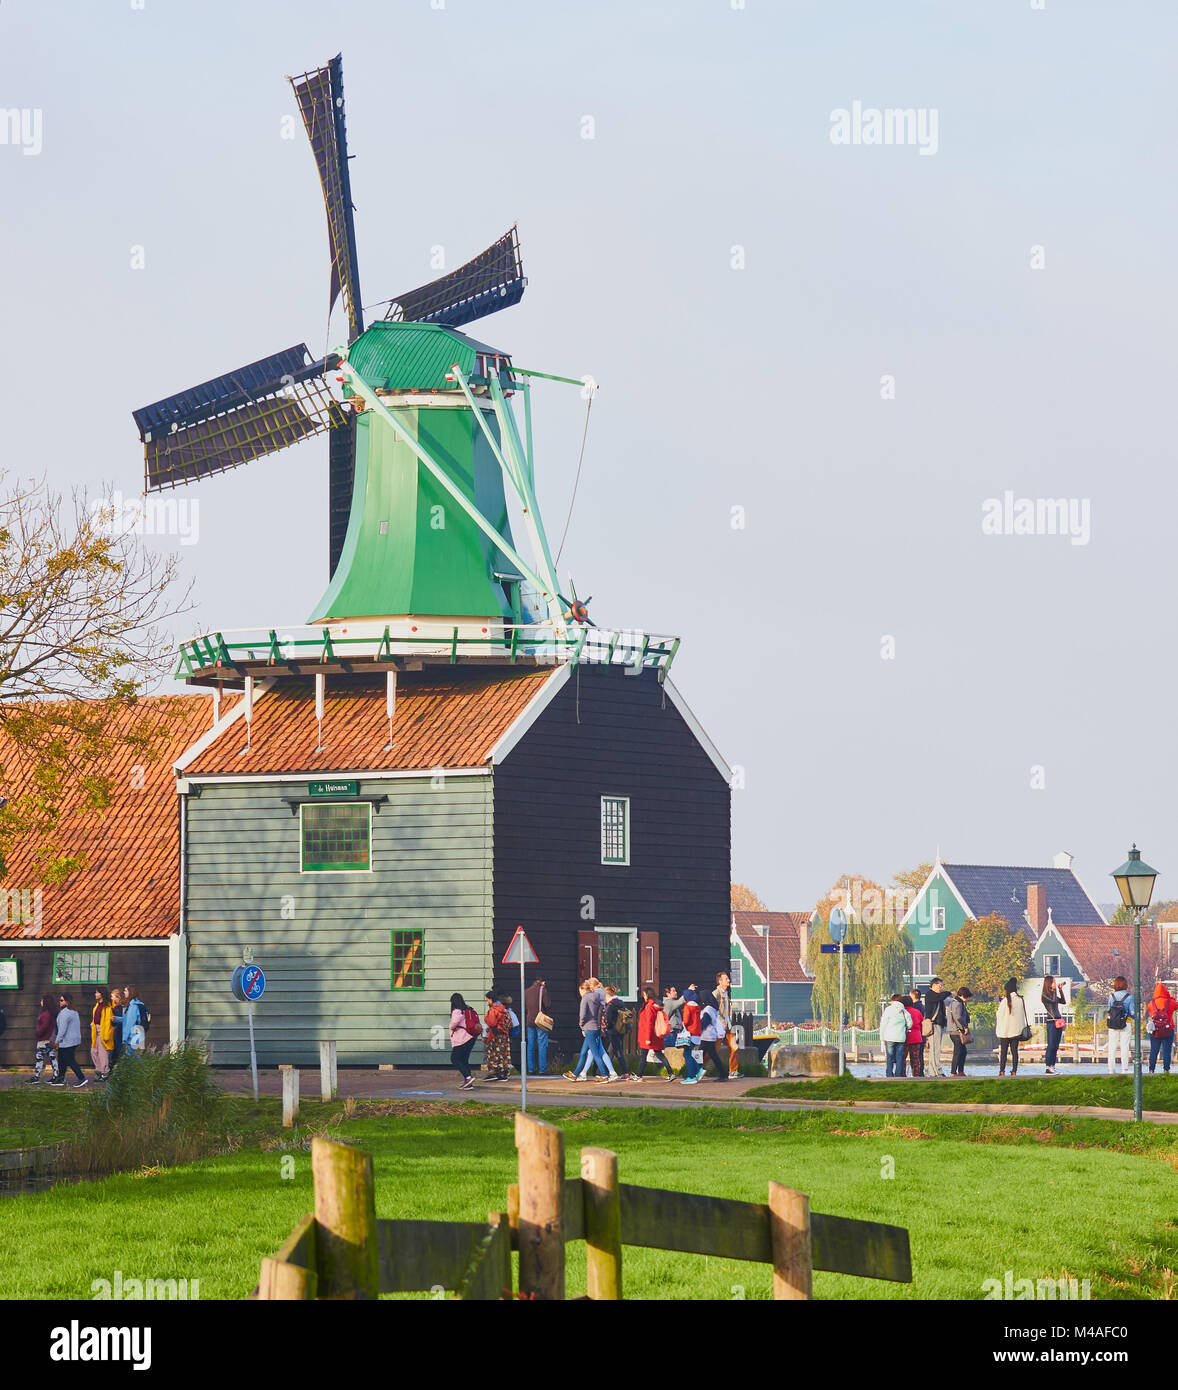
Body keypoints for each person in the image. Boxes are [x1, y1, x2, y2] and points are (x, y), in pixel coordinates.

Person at [48, 992, 86, 1087]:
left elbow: (62, 1029)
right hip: (73, 1040)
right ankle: (61, 1079)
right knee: (61, 1059)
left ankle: (81, 1078)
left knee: (69, 1060)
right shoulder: (74, 1012)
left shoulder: (65, 1013)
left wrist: (57, 1041)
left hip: (67, 1041)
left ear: (67, 1002)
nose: (60, 1002)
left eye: (62, 1000)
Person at [636, 987, 674, 1079]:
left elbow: (649, 1022)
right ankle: (671, 1073)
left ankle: (638, 1075)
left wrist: (648, 1038)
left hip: (648, 1035)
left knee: (643, 1056)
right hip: (656, 1035)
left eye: (644, 994)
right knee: (659, 1054)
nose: (643, 996)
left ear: (647, 995)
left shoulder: (649, 1006)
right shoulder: (656, 1005)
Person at [995, 977, 1029, 1076]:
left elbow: (999, 1015)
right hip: (1016, 1031)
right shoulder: (1020, 1000)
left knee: (1003, 1052)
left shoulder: (1004, 1001)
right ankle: (1014, 1071)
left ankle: (1002, 1070)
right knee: (1015, 1052)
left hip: (1005, 1031)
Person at [602, 985, 635, 1080]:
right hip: (622, 1030)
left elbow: (608, 1019)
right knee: (611, 1050)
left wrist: (606, 1028)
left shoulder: (610, 1005)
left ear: (607, 995)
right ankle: (608, 1071)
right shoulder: (620, 1003)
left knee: (618, 1051)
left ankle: (625, 1072)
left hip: (613, 1031)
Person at [448, 992, 479, 1089]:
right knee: (464, 1060)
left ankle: (468, 1078)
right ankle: (468, 1083)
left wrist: (451, 1027)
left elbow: (454, 1023)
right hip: (471, 1038)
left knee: (455, 1058)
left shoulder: (457, 1011)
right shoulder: (468, 1010)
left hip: (461, 1038)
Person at [714, 971, 741, 1080]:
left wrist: (728, 1022)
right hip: (720, 1026)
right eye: (726, 979)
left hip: (729, 1026)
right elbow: (714, 1009)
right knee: (712, 1050)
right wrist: (721, 1021)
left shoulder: (726, 994)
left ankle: (733, 1071)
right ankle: (698, 1069)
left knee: (734, 1047)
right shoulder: (716, 993)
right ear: (720, 981)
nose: (729, 980)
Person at [1146, 983, 1178, 1074]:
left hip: (1155, 1030)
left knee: (1154, 1050)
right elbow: (1176, 1006)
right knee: (1167, 1050)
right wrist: (1171, 999)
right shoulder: (1170, 1002)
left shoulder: (1151, 1004)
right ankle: (1166, 1070)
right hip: (1168, 1029)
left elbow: (1150, 1013)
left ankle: (1151, 1069)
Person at [1106, 976, 1134, 1075]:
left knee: (1112, 1046)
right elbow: (1132, 1012)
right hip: (1125, 1023)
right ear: (1125, 984)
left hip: (1113, 1024)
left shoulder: (1111, 996)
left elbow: (1109, 1010)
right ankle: (1124, 1069)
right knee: (1124, 1046)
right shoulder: (1130, 997)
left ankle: (1111, 1069)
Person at [524, 976, 552, 1078]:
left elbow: (525, 1006)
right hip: (540, 1021)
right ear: (542, 982)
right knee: (542, 1045)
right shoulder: (542, 990)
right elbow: (547, 1004)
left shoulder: (526, 991)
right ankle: (542, 1070)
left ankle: (531, 1069)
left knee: (530, 1045)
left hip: (529, 1020)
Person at [482, 991, 512, 1081]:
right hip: (504, 1034)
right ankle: (504, 1073)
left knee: (493, 1054)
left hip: (495, 1034)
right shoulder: (503, 1008)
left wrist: (486, 1018)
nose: (487, 1002)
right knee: (504, 1054)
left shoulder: (493, 1010)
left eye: (487, 1000)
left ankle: (494, 1073)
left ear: (491, 999)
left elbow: (491, 1022)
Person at [923, 978, 949, 1078]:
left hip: (939, 1024)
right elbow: (941, 996)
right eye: (939, 986)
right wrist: (949, 992)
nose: (941, 988)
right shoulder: (930, 995)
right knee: (935, 1049)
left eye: (942, 986)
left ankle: (932, 1071)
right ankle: (937, 1070)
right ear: (933, 985)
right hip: (934, 1025)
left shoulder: (937, 996)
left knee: (936, 1048)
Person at [29, 993, 58, 1084]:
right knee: (52, 1057)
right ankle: (56, 1076)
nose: (40, 1002)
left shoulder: (45, 1014)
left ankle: (36, 1076)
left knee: (39, 1058)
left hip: (44, 1039)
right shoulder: (52, 1013)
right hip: (51, 1039)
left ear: (45, 1002)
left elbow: (44, 1026)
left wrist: (37, 1033)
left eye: (42, 1000)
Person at [678, 988, 703, 1084]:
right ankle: (698, 1070)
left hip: (690, 1033)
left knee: (687, 1054)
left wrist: (682, 1023)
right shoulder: (697, 1006)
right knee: (688, 1054)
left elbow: (686, 1021)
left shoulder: (687, 1006)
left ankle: (692, 1076)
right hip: (697, 1033)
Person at [1041, 975, 1066, 1074]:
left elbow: (1063, 1001)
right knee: (1051, 1045)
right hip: (1051, 1022)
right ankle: (1048, 1066)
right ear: (1048, 983)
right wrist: (1055, 990)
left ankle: (1053, 1065)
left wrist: (1060, 990)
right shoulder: (1044, 995)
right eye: (1053, 982)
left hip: (1058, 1021)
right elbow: (1053, 1001)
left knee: (1056, 1046)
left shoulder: (1053, 994)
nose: (1054, 983)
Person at [946, 987, 973, 1076]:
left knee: (962, 1051)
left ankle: (960, 1071)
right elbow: (958, 1017)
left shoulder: (953, 1003)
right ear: (962, 995)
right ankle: (954, 1072)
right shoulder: (958, 1004)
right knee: (958, 1052)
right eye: (966, 997)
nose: (967, 999)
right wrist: (965, 1027)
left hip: (953, 1030)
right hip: (957, 1031)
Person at [880, 994, 909, 1078]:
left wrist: (882, 1036)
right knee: (899, 1057)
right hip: (900, 1037)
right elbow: (909, 1023)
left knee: (890, 1057)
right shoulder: (904, 1010)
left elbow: (883, 1023)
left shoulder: (888, 1009)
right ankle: (898, 1075)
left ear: (892, 1001)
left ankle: (889, 1074)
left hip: (889, 1037)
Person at [698, 998, 727, 1079]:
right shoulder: (712, 1009)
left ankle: (723, 1074)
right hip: (709, 1036)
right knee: (702, 1054)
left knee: (702, 1054)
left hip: (706, 1036)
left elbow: (704, 1022)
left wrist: (698, 1030)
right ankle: (694, 1072)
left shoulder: (707, 1010)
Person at [90, 987, 114, 1081]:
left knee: (103, 1053)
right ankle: (99, 1070)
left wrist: (107, 1035)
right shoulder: (97, 1005)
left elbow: (108, 1021)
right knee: (93, 1051)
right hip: (95, 1030)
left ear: (101, 994)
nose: (95, 994)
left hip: (103, 1031)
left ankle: (105, 1072)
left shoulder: (107, 1006)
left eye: (97, 992)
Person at [902, 990, 925, 1077]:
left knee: (903, 1058)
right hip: (916, 1037)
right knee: (915, 1058)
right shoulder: (917, 1012)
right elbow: (921, 1024)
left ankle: (903, 1074)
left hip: (905, 1037)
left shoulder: (902, 1012)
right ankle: (916, 1074)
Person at [121, 986, 147, 1058]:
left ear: (130, 992)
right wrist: (117, 1019)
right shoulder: (138, 1004)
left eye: (125, 991)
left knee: (133, 1059)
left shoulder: (133, 1006)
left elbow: (130, 1023)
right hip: (139, 1034)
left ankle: (146, 1069)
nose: (124, 992)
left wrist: (124, 1038)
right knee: (133, 1058)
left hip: (133, 1037)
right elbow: (127, 1019)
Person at [502, 994, 521, 1073]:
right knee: (507, 1047)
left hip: (509, 1031)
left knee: (504, 1048)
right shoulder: (511, 1011)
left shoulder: (506, 1012)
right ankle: (508, 1064)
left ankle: (507, 1065)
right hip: (514, 1030)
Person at [109, 988, 125, 1072]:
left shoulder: (121, 1007)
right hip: (117, 1032)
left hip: (120, 1032)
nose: (111, 998)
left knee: (118, 1051)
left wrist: (115, 1019)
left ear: (117, 997)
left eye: (112, 996)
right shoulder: (115, 1007)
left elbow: (124, 1019)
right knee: (115, 1052)